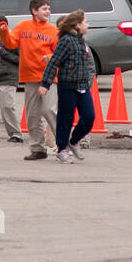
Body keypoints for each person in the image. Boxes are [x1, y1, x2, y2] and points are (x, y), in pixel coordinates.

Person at [0, 0, 59, 161]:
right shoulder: (23, 27)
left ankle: (64, 142)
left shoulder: (53, 30)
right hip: (30, 76)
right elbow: (10, 43)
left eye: (49, 9)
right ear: (34, 11)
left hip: (49, 77)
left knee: (48, 110)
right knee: (32, 114)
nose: (48, 12)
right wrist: (3, 31)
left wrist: (50, 56)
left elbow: (60, 53)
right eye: (44, 9)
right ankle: (38, 149)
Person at [39, 10, 96, 163]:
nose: (88, 25)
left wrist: (89, 80)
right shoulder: (66, 41)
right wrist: (46, 84)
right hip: (67, 86)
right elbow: (53, 62)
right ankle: (62, 148)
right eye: (86, 22)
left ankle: (74, 140)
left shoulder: (81, 41)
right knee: (66, 119)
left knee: (89, 116)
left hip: (83, 86)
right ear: (77, 25)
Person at [0, 14, 23, 142]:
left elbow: (21, 60)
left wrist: (3, 53)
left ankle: (16, 134)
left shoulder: (15, 39)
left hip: (9, 78)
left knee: (8, 107)